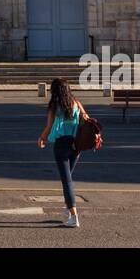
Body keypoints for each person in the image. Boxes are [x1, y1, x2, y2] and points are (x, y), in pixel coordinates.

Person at [37, 77, 86, 228]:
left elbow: (50, 126)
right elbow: (86, 119)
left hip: (61, 146)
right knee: (68, 178)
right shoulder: (76, 103)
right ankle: (68, 208)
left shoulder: (54, 106)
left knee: (67, 182)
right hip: (76, 145)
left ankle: (74, 217)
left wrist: (42, 138)